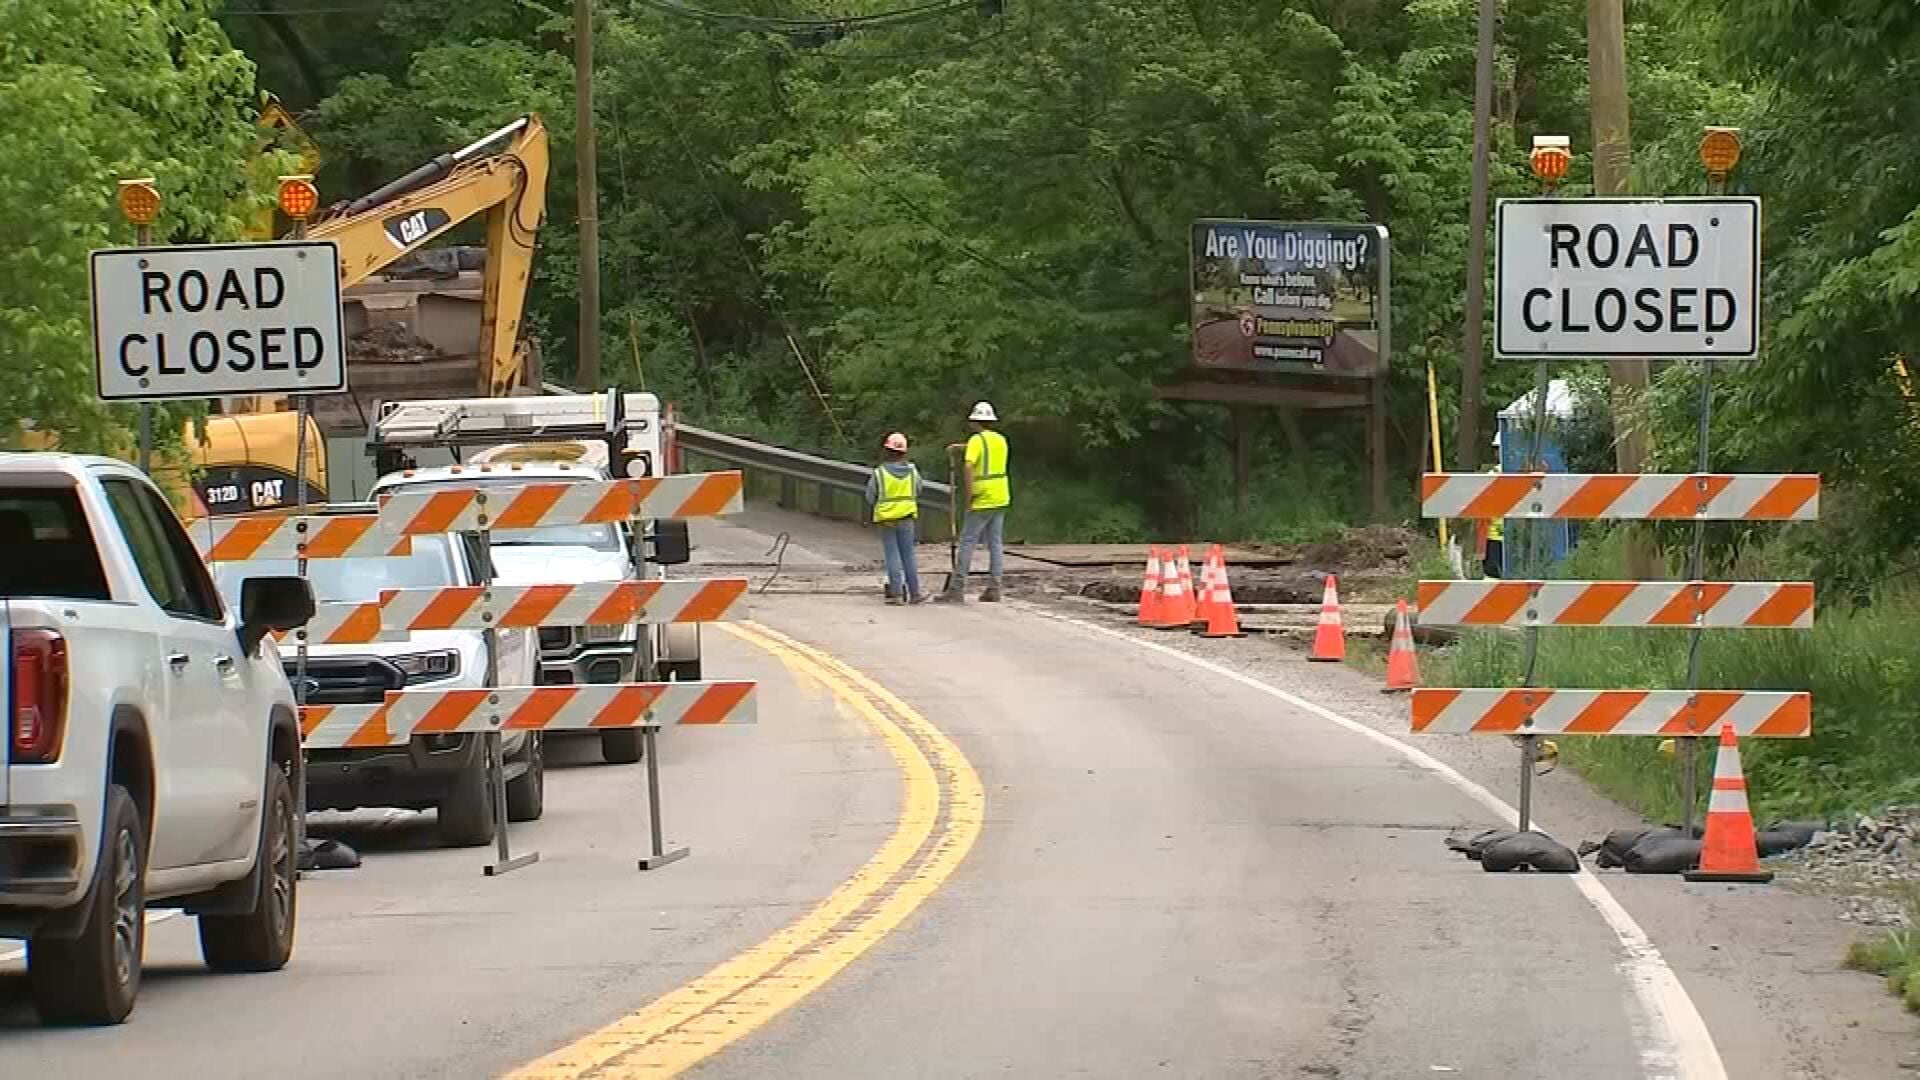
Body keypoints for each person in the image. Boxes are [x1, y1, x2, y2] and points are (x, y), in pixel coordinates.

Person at [938, 401, 1010, 603]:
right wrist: (961, 447)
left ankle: (957, 588)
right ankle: (995, 587)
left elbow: (969, 467)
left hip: (982, 496)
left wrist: (969, 497)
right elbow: (986, 450)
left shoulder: (976, 441)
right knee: (995, 543)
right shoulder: (1001, 440)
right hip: (1001, 495)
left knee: (968, 541)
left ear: (975, 422)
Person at [865, 432, 926, 605]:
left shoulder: (879, 473)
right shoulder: (913, 471)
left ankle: (897, 594)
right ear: (904, 453)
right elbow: (918, 489)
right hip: (906, 517)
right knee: (908, 555)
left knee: (892, 555)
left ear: (887, 451)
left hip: (887, 519)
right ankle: (915, 593)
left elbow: (871, 496)